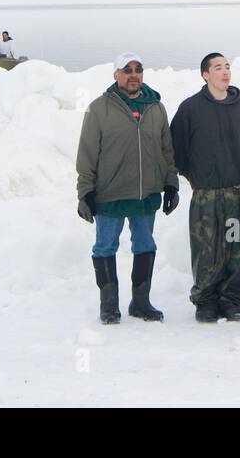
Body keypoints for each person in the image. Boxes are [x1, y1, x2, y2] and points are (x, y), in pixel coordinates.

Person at [170, 52, 240, 323]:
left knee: (236, 246)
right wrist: (192, 176)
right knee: (207, 248)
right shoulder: (190, 108)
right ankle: (205, 301)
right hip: (206, 196)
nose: (225, 72)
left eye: (227, 67)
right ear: (205, 75)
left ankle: (231, 300)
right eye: (218, 68)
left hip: (236, 193)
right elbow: (175, 150)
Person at [75, 52, 180, 324]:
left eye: (138, 69)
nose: (133, 74)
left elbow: (167, 149)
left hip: (146, 194)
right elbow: (86, 153)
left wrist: (171, 183)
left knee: (145, 243)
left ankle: (141, 303)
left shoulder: (155, 107)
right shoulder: (99, 108)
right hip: (110, 193)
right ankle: (109, 305)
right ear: (116, 75)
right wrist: (85, 192)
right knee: (105, 246)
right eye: (127, 70)